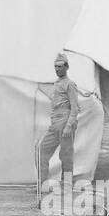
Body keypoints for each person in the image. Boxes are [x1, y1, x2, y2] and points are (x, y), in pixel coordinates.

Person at [37, 52, 81, 194]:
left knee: (66, 154)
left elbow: (75, 107)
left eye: (60, 66)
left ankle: (66, 186)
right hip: (55, 121)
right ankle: (42, 184)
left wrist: (68, 126)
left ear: (67, 67)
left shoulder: (70, 84)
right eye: (55, 66)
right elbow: (55, 98)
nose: (57, 69)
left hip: (65, 120)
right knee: (41, 150)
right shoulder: (57, 83)